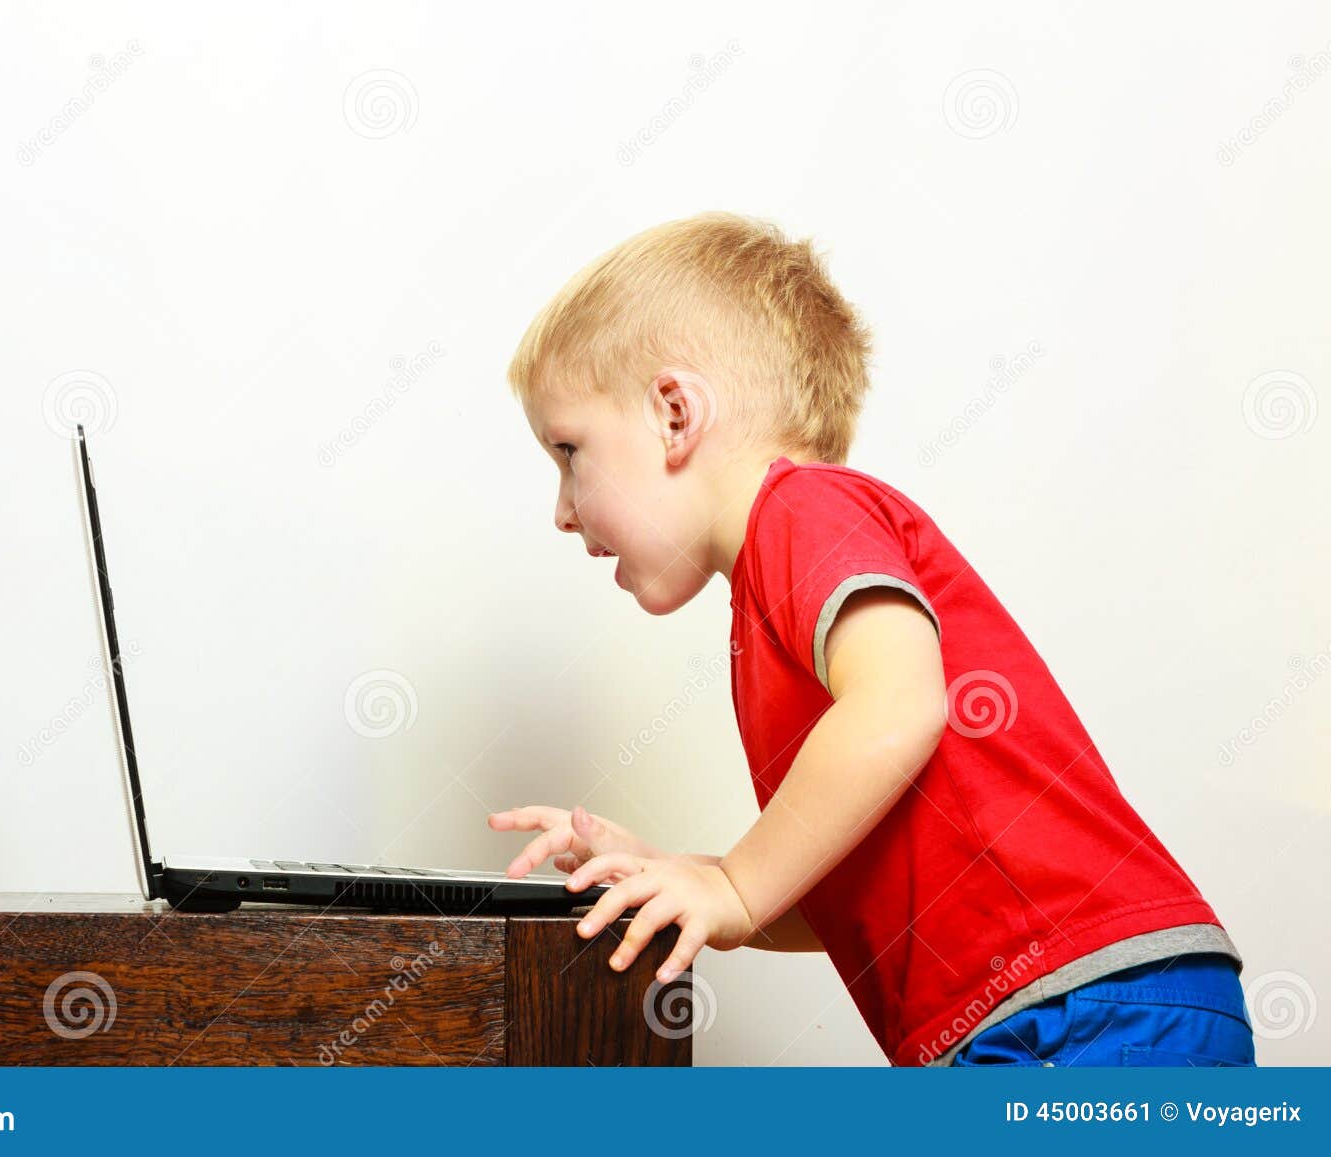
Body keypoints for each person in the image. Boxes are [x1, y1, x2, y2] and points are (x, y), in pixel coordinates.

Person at [486, 212, 1254, 1067]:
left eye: (569, 450)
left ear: (675, 413)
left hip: (1082, 1007)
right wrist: (682, 874)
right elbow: (845, 886)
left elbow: (902, 702)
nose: (561, 510)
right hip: (1054, 1008)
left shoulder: (803, 509)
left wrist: (736, 883)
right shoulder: (776, 610)